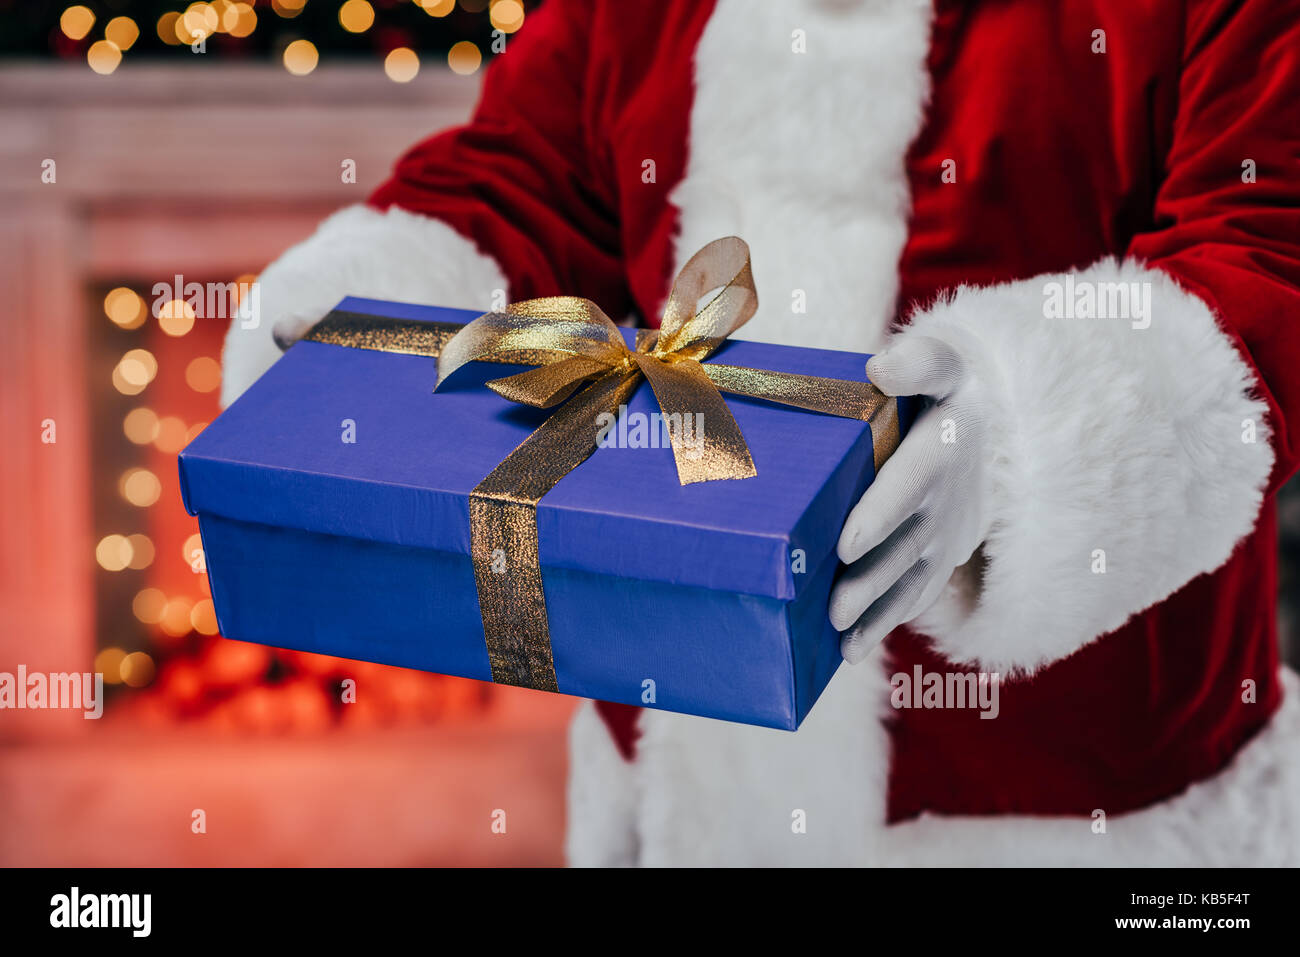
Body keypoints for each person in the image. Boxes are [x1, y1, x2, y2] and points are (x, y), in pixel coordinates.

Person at [221, 0, 1300, 865]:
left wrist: (1031, 431)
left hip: (1075, 800)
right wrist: (368, 307)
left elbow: (1266, 249)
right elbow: (518, 177)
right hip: (682, 751)